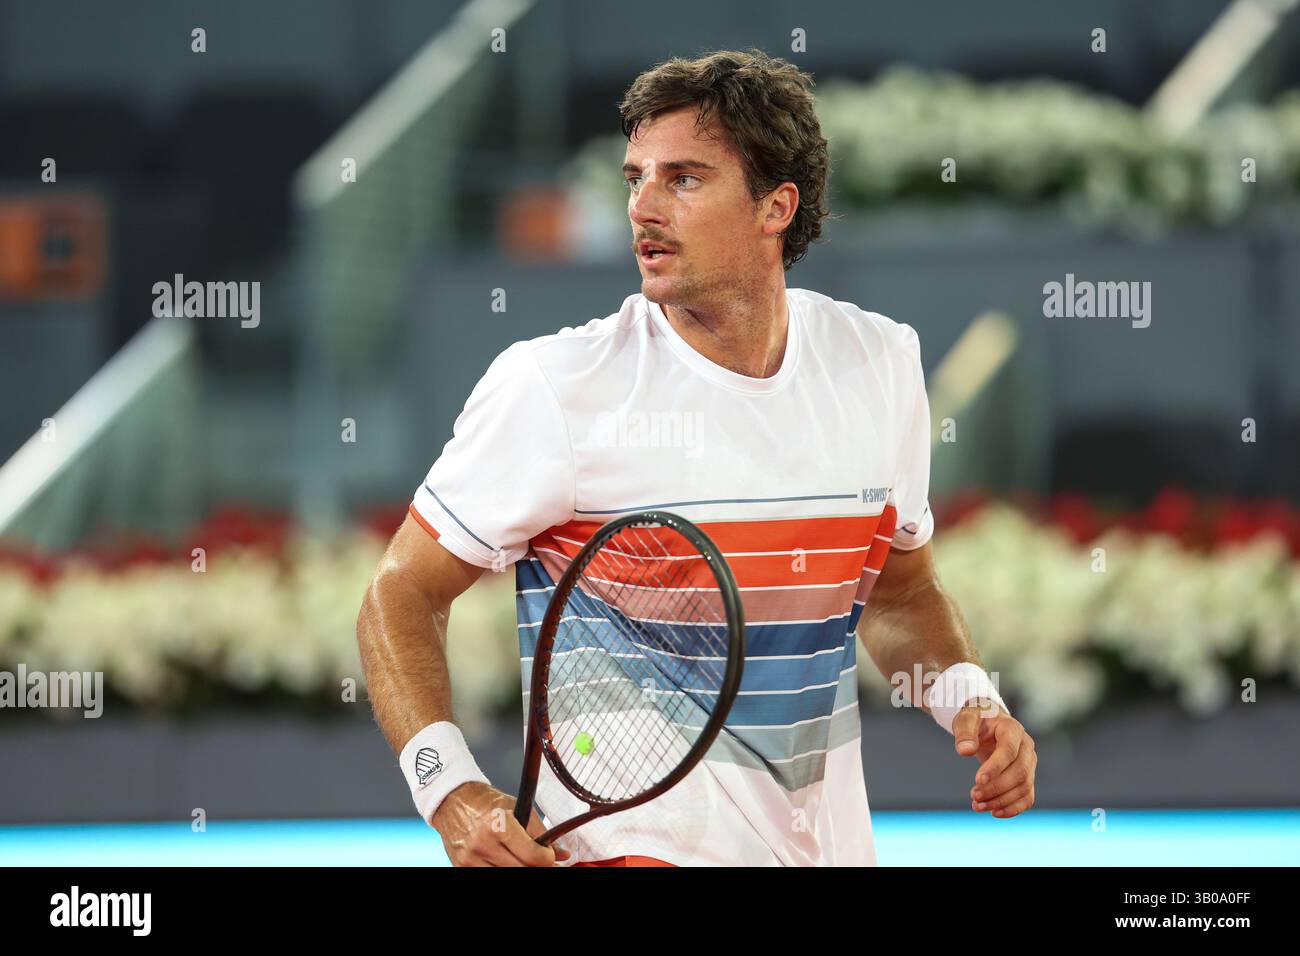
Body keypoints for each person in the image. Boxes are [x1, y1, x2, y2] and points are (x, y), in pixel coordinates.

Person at [356, 48, 1037, 867]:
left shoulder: (879, 365)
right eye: (634, 176)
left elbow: (898, 596)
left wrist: (968, 699)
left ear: (775, 206)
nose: (643, 207)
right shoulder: (553, 386)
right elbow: (401, 592)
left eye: (683, 179)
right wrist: (450, 792)